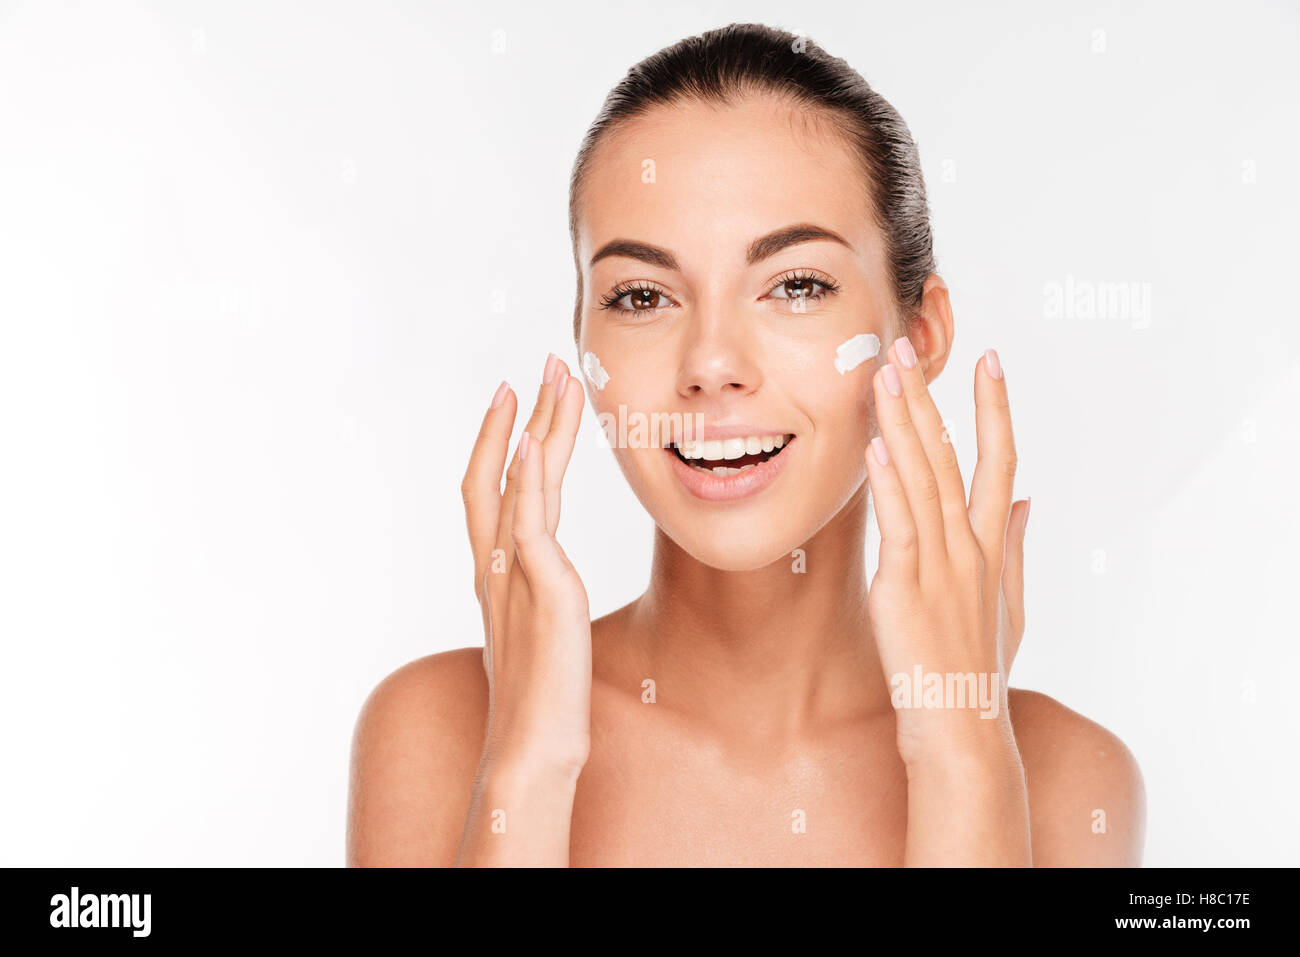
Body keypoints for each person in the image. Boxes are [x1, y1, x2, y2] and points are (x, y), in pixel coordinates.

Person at [347, 22, 1145, 867]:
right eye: (643, 296)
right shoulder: (440, 731)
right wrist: (527, 766)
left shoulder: (1065, 777)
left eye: (796, 285)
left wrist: (963, 754)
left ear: (919, 332)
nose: (711, 365)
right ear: (583, 333)